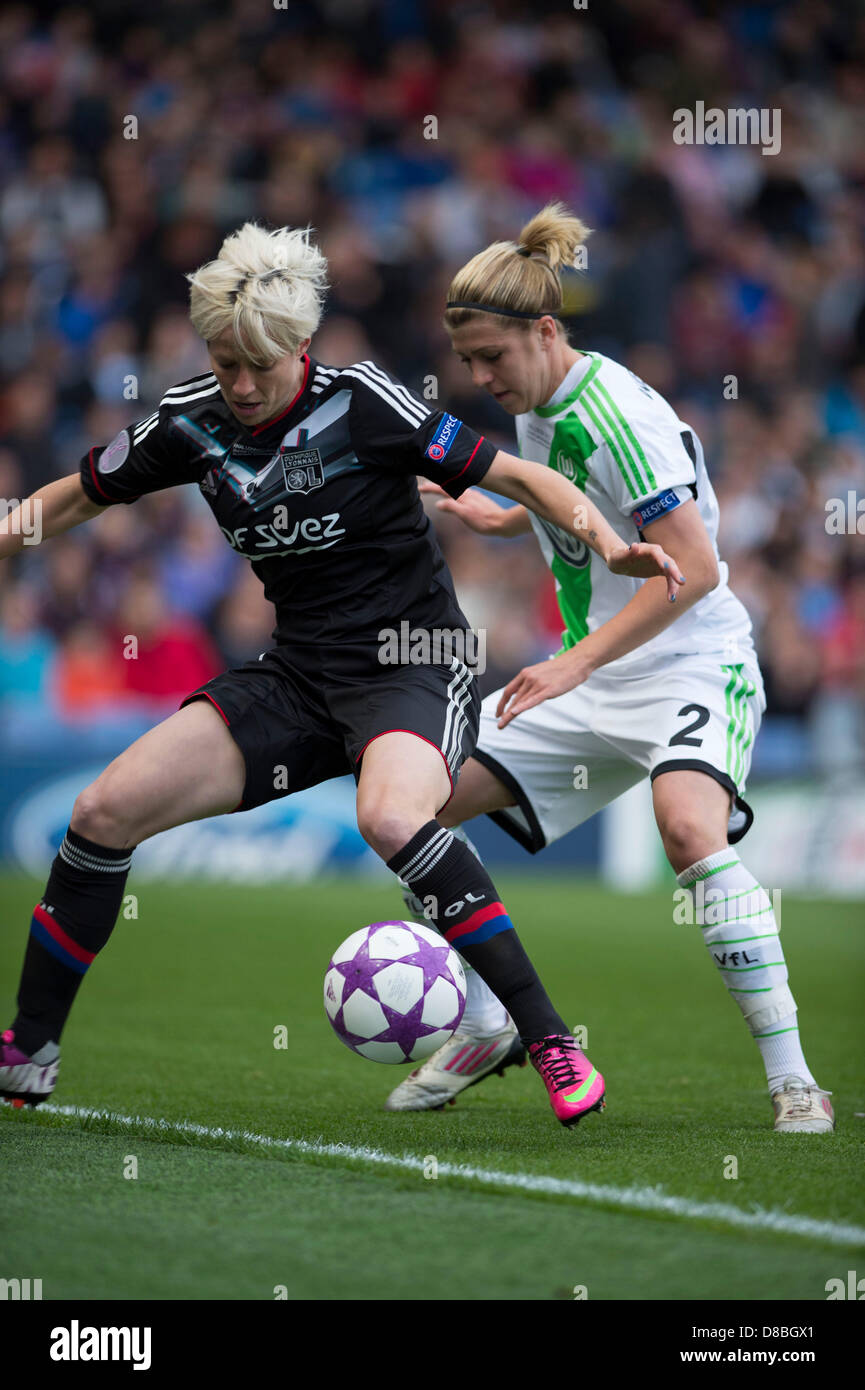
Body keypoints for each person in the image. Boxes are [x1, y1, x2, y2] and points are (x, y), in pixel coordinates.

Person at [0, 220, 684, 1128]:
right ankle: (29, 1051)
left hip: (412, 662)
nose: (241, 385)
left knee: (390, 815)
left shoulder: (364, 402)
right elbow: (76, 496)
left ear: (302, 346)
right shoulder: (190, 421)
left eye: (261, 364)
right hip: (295, 673)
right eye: (224, 361)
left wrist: (606, 539)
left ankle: (549, 1037)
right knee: (98, 814)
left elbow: (523, 480)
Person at [385, 204, 834, 1135]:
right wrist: (499, 517)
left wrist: (570, 663)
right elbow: (581, 502)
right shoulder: (544, 401)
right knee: (409, 807)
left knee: (687, 833)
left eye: (490, 359)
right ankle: (483, 1017)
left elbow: (695, 567)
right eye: (466, 361)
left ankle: (793, 1080)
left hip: (688, 661)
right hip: (594, 669)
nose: (477, 378)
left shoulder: (615, 409)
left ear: (544, 332)